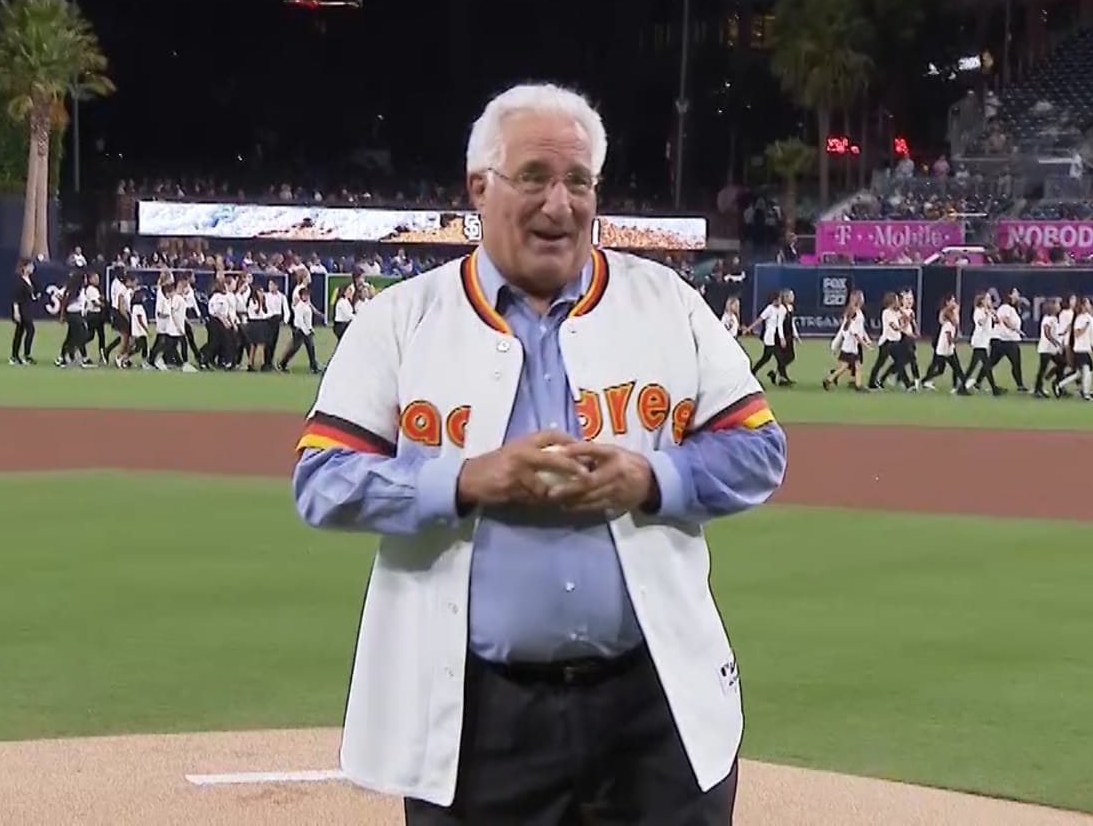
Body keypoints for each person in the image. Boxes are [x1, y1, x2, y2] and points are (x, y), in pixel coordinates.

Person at [292, 82, 787, 826]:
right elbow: (323, 480)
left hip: (653, 710)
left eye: (578, 181)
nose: (559, 205)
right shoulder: (401, 319)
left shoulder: (668, 303)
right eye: (534, 178)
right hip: (480, 718)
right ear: (479, 187)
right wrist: (463, 481)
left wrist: (653, 476)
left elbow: (758, 449)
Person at [10, 259, 38, 365]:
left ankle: (15, 356)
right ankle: (26, 355)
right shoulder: (19, 280)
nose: (32, 268)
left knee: (19, 332)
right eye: (30, 266)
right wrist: (16, 312)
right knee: (30, 330)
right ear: (24, 268)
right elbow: (16, 297)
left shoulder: (29, 280)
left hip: (27, 308)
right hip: (22, 310)